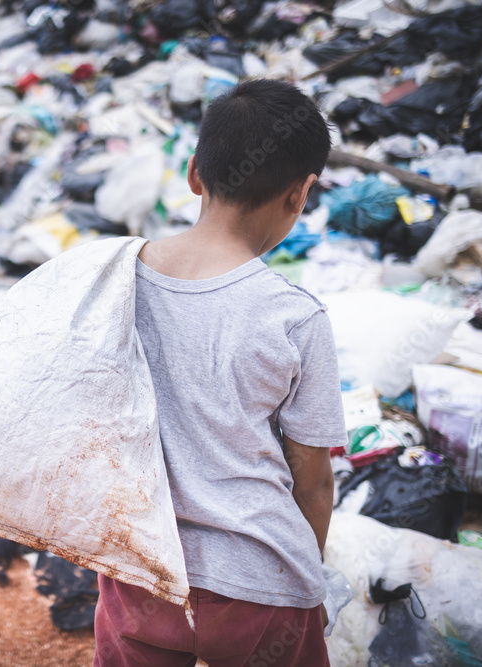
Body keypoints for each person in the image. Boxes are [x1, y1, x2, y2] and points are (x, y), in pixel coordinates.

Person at [93, 79, 346, 666]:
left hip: (142, 570)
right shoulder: (295, 317)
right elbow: (313, 480)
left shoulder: (115, 279)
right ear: (301, 194)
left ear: (193, 174)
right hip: (261, 584)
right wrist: (305, 579)